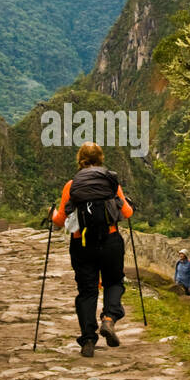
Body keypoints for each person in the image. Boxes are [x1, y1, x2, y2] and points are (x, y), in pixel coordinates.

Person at [51, 143, 135, 357]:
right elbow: (126, 212)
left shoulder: (72, 185)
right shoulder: (110, 181)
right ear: (101, 158)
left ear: (80, 159)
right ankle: (108, 318)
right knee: (114, 282)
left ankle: (88, 340)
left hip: (83, 244)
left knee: (87, 290)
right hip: (110, 240)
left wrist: (52, 214)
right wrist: (128, 205)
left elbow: (60, 221)